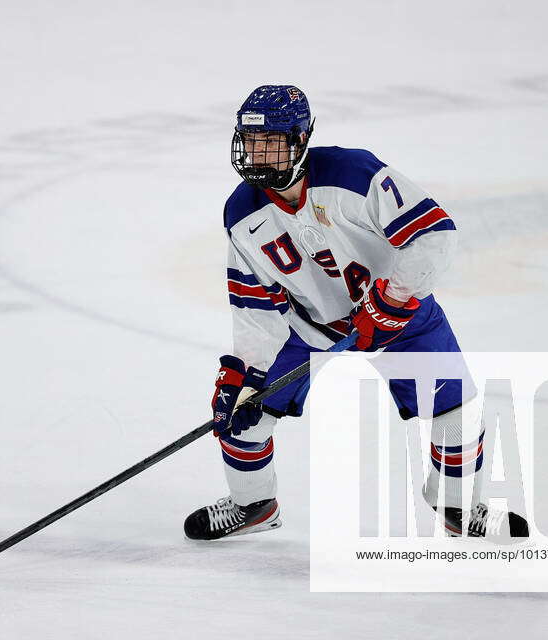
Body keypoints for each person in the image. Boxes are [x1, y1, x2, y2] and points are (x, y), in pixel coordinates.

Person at [183, 85, 528, 542]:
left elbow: (434, 235)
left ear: (301, 140)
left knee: (457, 415)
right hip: (308, 326)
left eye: (272, 142)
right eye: (251, 143)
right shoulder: (241, 213)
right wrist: (243, 373)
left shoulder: (353, 173)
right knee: (242, 417)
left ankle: (457, 507)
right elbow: (253, 304)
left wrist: (392, 300)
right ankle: (254, 504)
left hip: (401, 320)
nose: (259, 154)